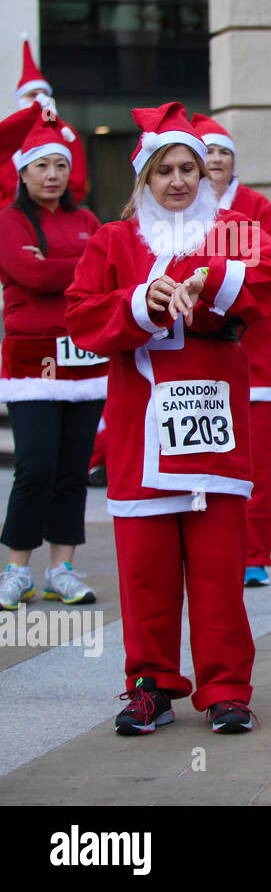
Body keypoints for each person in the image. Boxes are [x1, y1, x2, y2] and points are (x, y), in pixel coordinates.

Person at [65, 102, 271, 735]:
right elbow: (83, 317)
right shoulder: (112, 240)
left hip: (213, 419)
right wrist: (140, 302)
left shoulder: (234, 230)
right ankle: (150, 685)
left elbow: (269, 279)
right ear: (144, 180)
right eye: (165, 170)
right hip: (140, 426)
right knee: (145, 571)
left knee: (219, 568)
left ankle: (225, 689)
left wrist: (208, 279)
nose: (181, 181)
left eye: (191, 168)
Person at [0, 114, 104, 611]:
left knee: (72, 470)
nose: (52, 174)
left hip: (84, 361)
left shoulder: (86, 220)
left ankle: (61, 568)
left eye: (60, 164)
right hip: (31, 362)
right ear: (23, 173)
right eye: (41, 165)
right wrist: (80, 267)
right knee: (35, 466)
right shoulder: (9, 219)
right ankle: (17, 568)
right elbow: (31, 275)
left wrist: (60, 267)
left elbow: (106, 270)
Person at [191, 113, 271, 584]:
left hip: (260, 359)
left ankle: (255, 555)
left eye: (224, 153)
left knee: (261, 464)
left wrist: (210, 277)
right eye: (208, 153)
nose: (216, 160)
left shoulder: (257, 206)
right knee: (210, 460)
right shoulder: (179, 212)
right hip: (200, 363)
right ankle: (212, 553)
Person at [1, 35, 87, 205]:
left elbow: (77, 183)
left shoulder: (66, 133)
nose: (39, 99)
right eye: (32, 95)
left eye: (44, 94)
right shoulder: (9, 135)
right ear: (21, 99)